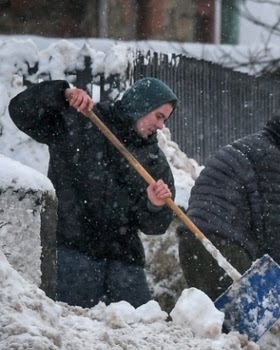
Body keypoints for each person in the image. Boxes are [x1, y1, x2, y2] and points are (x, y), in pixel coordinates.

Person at [9, 77, 177, 308]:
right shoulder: (82, 120)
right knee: (74, 326)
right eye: (158, 116)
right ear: (140, 105)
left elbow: (155, 226)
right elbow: (21, 111)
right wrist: (62, 94)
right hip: (72, 249)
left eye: (165, 120)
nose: (161, 126)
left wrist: (154, 205)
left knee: (141, 330)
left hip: (124, 262)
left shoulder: (154, 161)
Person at [179, 97, 280, 301]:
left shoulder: (251, 146)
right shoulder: (272, 159)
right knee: (236, 328)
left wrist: (279, 255)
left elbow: (253, 216)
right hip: (221, 248)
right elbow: (270, 221)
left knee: (209, 323)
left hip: (191, 243)